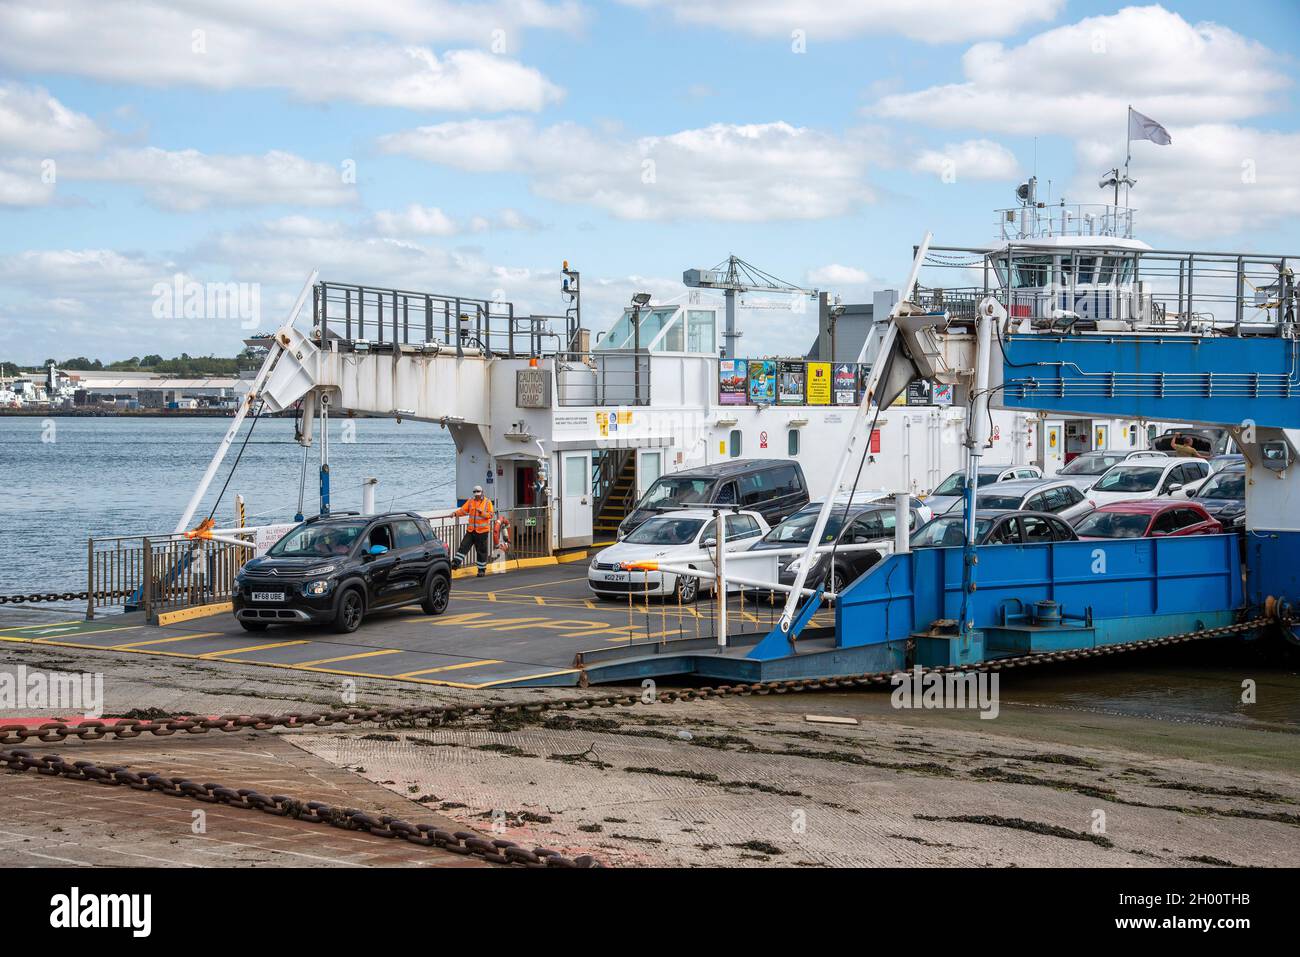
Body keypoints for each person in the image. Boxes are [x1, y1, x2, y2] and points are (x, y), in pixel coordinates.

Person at [453, 485, 494, 576]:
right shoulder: (471, 501)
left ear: (482, 492)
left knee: (481, 551)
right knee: (463, 546)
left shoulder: (487, 502)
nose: (477, 495)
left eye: (478, 493)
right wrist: (455, 514)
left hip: (482, 531)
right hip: (471, 530)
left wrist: (482, 513)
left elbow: (491, 515)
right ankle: (455, 564)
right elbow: (463, 510)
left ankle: (481, 570)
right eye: (475, 493)